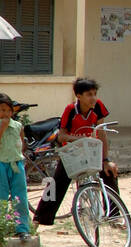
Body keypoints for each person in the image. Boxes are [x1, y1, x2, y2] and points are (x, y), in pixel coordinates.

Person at [33, 78, 118, 229]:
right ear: (79, 96)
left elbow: (102, 133)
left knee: (110, 172)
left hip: (91, 150)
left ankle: (115, 216)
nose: (93, 98)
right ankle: (39, 219)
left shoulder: (98, 107)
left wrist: (106, 160)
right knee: (57, 183)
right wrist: (79, 139)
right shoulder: (70, 110)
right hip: (72, 152)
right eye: (89, 94)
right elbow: (61, 136)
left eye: (94, 94)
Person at [0, 93, 33, 241]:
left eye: (8, 110)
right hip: (1, 164)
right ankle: (3, 227)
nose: (5, 113)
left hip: (16, 164)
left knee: (20, 198)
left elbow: (21, 143)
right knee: (2, 198)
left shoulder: (18, 126)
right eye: (1, 110)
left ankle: (22, 229)